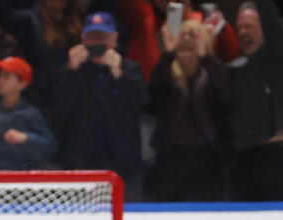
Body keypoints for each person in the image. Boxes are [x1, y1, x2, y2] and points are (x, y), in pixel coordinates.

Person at [48, 11, 148, 200]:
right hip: (81, 164)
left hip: (124, 165)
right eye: (91, 38)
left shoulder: (130, 70)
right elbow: (59, 114)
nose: (97, 44)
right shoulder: (69, 71)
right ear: (82, 41)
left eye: (101, 37)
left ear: (114, 40)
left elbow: (140, 103)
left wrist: (119, 74)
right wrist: (72, 71)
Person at [147, 19, 231, 201]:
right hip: (171, 157)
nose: (185, 39)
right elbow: (154, 94)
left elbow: (225, 97)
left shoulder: (214, 69)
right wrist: (168, 53)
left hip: (207, 157)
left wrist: (204, 56)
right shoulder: (166, 70)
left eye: (193, 35)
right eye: (181, 34)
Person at [229, 0, 283, 201]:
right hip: (245, 165)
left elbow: (271, 24)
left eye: (249, 26)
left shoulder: (275, 57)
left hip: (273, 162)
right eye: (239, 27)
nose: (242, 32)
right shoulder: (239, 71)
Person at [0, 56, 58, 170]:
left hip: (21, 177)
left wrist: (25, 138)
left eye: (6, 76)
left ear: (22, 84)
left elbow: (50, 147)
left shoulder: (31, 114)